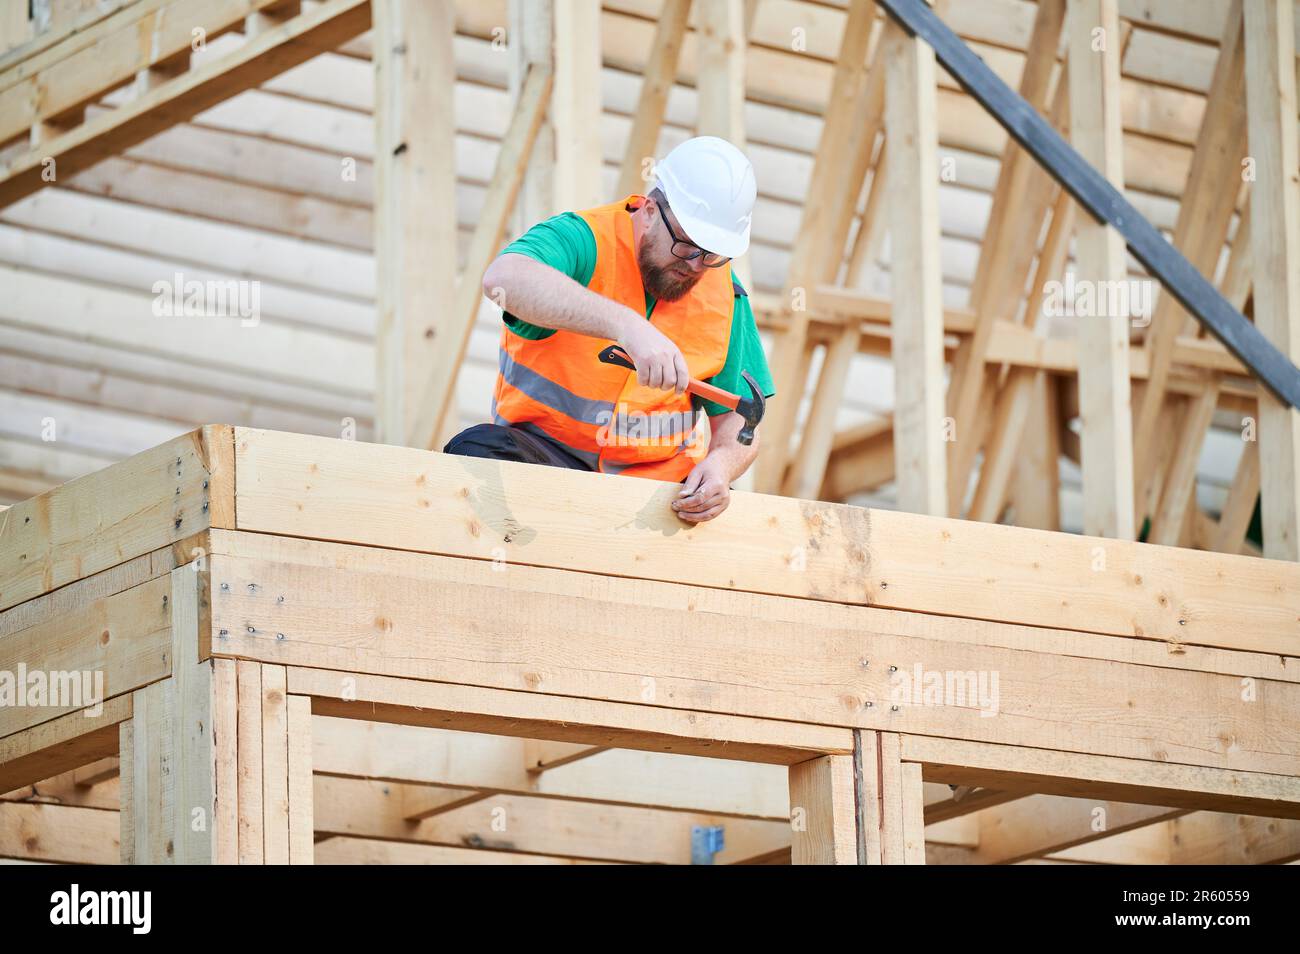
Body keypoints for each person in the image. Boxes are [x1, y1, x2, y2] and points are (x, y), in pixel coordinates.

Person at [444, 136, 775, 524]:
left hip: (659, 494)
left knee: (724, 528)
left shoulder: (727, 299)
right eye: (687, 246)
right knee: (474, 457)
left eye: (712, 254)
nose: (696, 266)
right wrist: (626, 325)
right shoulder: (583, 239)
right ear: (651, 211)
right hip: (545, 462)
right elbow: (503, 278)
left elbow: (740, 420)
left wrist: (721, 466)